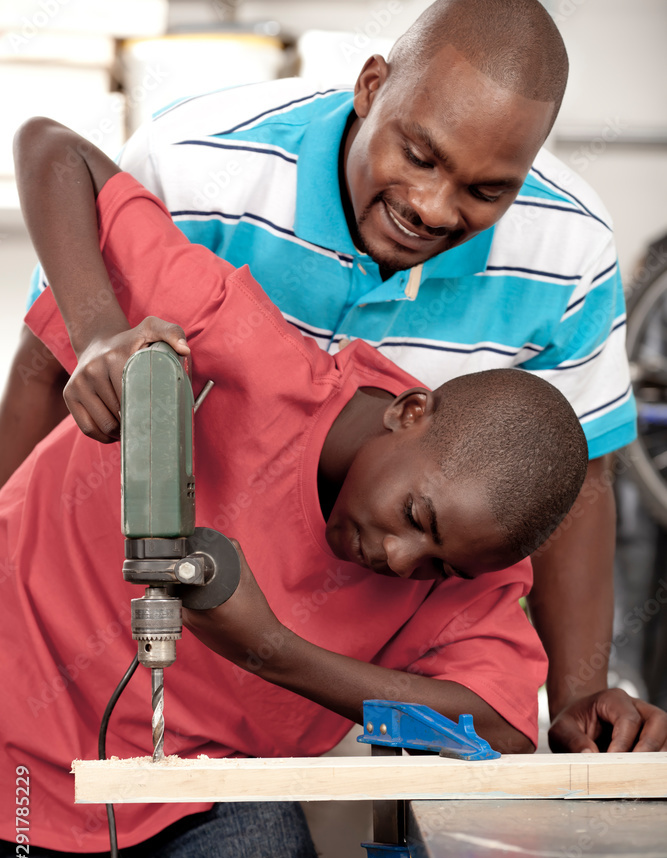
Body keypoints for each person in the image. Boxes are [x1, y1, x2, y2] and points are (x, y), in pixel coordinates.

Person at [0, 117, 589, 858]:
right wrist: (94, 331)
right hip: (10, 761)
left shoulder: (470, 564)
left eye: (435, 565)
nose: (399, 559)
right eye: (412, 514)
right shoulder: (231, 343)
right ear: (408, 409)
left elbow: (494, 731)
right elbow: (53, 149)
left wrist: (275, 652)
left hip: (205, 793)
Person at [1, 5, 665, 750]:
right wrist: (96, 339)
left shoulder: (568, 249)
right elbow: (50, 355)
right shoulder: (201, 161)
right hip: (84, 618)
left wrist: (575, 697)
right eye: (418, 155)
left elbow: (575, 480)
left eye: (486, 192)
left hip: (288, 684)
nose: (432, 207)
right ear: (370, 86)